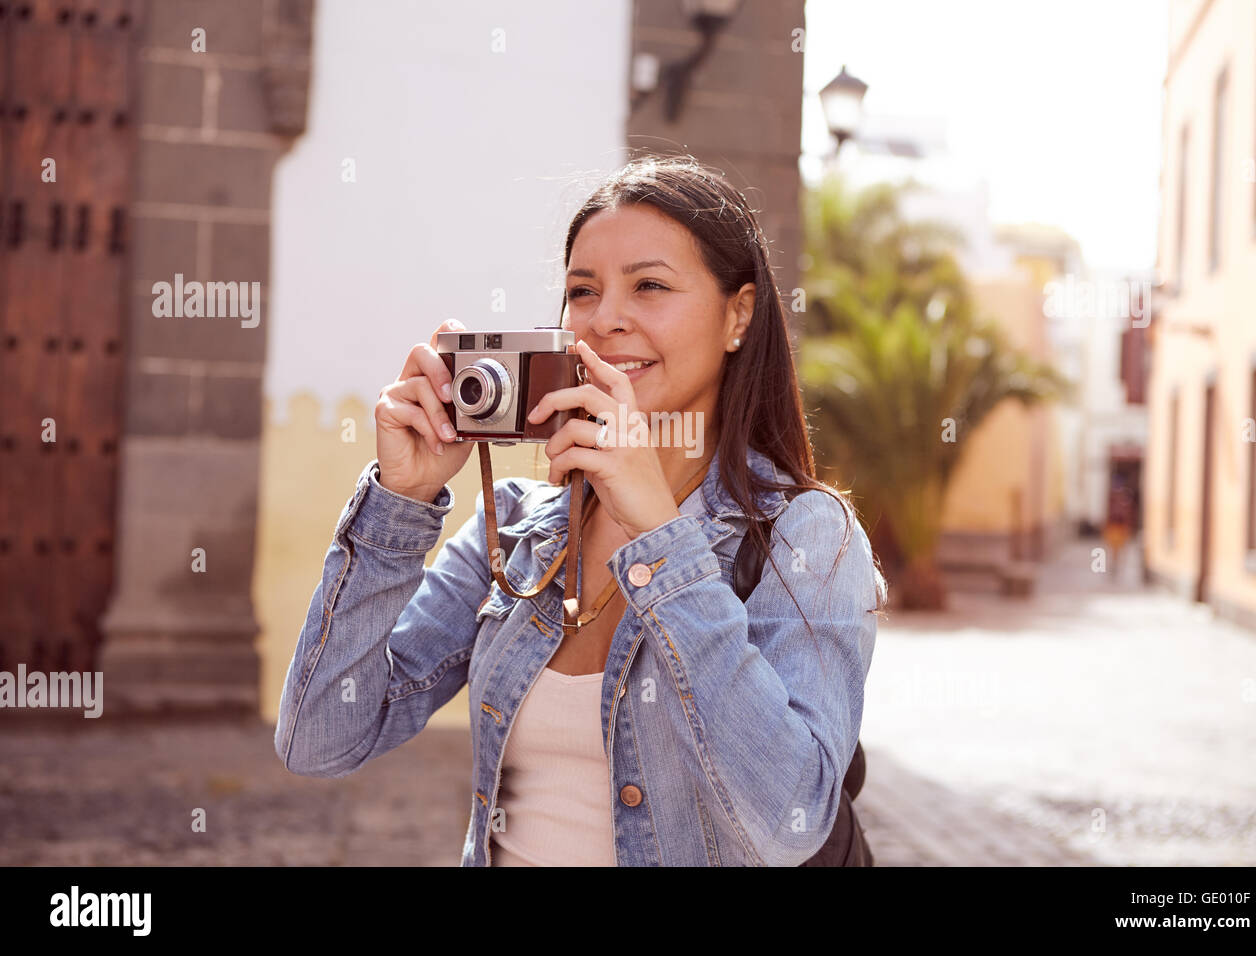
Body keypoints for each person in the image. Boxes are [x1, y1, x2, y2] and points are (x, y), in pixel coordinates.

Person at [274, 155, 885, 866]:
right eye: (582, 291)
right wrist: (397, 504)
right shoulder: (518, 532)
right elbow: (319, 739)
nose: (605, 320)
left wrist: (661, 534)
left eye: (650, 286)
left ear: (737, 316)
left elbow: (792, 818)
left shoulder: (810, 537)